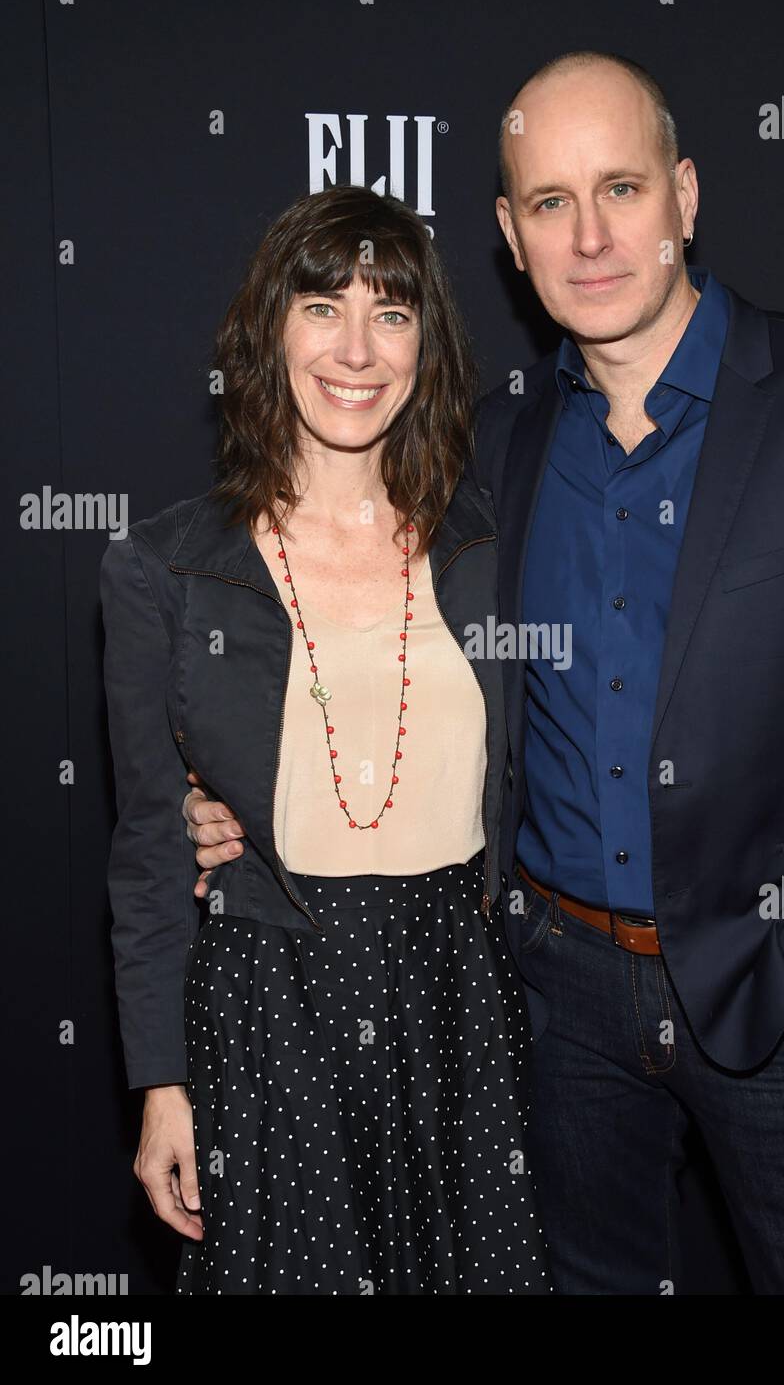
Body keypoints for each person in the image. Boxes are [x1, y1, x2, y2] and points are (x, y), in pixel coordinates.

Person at [186, 51, 784, 1295]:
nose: (592, 235)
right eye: (551, 203)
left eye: (620, 187)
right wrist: (232, 781)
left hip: (777, 1003)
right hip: (554, 1003)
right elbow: (355, 618)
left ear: (686, 194)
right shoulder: (497, 442)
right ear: (510, 236)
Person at [100, 183, 551, 1294]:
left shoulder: (495, 539)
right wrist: (161, 1084)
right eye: (322, 305)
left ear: (426, 344)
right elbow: (153, 850)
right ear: (269, 329)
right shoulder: (163, 567)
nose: (357, 347)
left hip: (459, 990)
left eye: (391, 313)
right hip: (267, 1002)